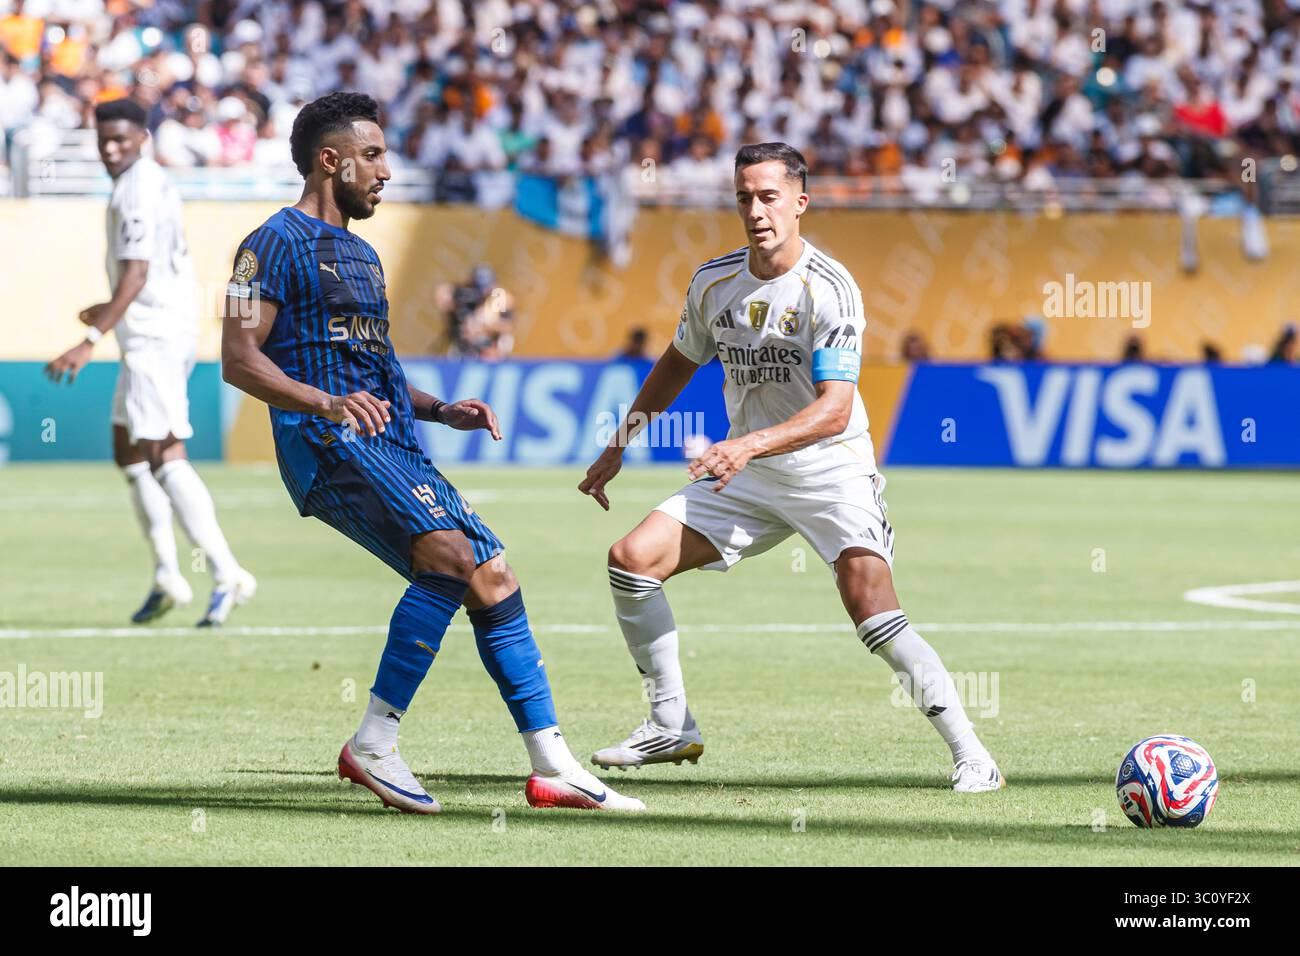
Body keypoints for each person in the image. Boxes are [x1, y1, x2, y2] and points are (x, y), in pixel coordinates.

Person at [221, 92, 643, 814]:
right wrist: (322, 402)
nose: (386, 171)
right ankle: (375, 745)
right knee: (449, 556)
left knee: (494, 577)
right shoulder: (265, 247)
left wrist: (440, 409)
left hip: (390, 440)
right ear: (331, 160)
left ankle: (553, 765)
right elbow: (237, 359)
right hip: (325, 440)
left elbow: (375, 372)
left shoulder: (363, 256)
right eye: (374, 156)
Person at [579, 142, 1005, 793]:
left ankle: (973, 754)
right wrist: (622, 440)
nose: (755, 210)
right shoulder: (714, 282)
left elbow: (834, 411)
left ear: (800, 202)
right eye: (744, 197)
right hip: (749, 476)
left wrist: (745, 446)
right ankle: (671, 723)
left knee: (872, 612)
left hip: (828, 472)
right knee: (632, 559)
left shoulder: (829, 289)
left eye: (769, 196)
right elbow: (679, 360)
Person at [45, 97, 255, 627]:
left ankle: (229, 573)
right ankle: (167, 573)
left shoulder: (137, 187)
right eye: (103, 141)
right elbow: (142, 274)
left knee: (164, 453)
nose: (111, 149)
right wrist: (110, 308)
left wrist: (91, 335)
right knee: (128, 449)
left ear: (143, 137)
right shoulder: (149, 179)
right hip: (155, 330)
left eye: (121, 139)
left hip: (155, 338)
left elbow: (137, 273)